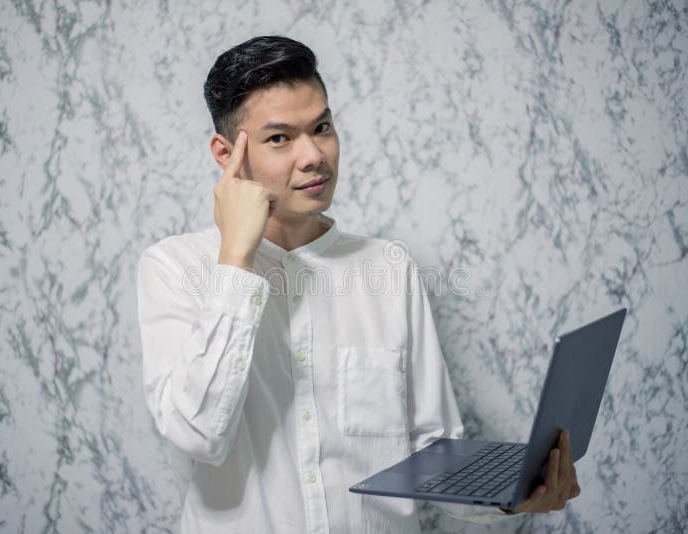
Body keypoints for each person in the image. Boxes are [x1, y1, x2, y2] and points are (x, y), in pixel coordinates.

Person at [136, 34, 580, 534]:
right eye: (280, 138)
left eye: (321, 127)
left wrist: (516, 491)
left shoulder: (389, 268)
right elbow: (198, 433)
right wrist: (236, 260)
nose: (313, 156)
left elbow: (431, 454)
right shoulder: (174, 269)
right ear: (226, 154)